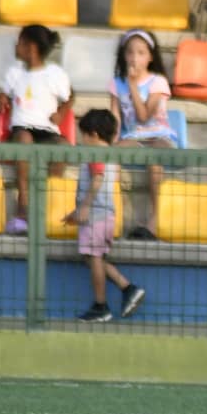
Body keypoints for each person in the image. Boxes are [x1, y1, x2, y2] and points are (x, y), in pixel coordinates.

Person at [64, 109, 146, 323]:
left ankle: (101, 305)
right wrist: (78, 211)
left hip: (96, 214)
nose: (82, 141)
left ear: (94, 135)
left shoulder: (95, 154)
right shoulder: (110, 155)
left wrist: (84, 207)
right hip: (103, 214)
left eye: (84, 135)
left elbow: (98, 178)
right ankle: (128, 289)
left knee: (95, 257)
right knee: (91, 258)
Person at [0, 24, 74, 236]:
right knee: (25, 141)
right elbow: (0, 102)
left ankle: (48, 202)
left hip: (47, 131)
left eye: (19, 42)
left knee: (64, 147)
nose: (16, 46)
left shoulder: (55, 73)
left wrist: (62, 112)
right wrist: (1, 98)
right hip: (20, 131)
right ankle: (23, 207)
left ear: (31, 48)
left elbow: (70, 96)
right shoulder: (14, 73)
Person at [108, 29, 177, 241]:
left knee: (153, 158)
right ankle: (111, 216)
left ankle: (154, 220)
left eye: (140, 53)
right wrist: (112, 143)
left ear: (150, 57)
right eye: (130, 52)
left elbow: (144, 115)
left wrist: (132, 85)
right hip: (133, 138)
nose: (134, 58)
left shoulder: (158, 82)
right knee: (110, 157)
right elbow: (115, 116)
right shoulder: (115, 83)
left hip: (159, 136)